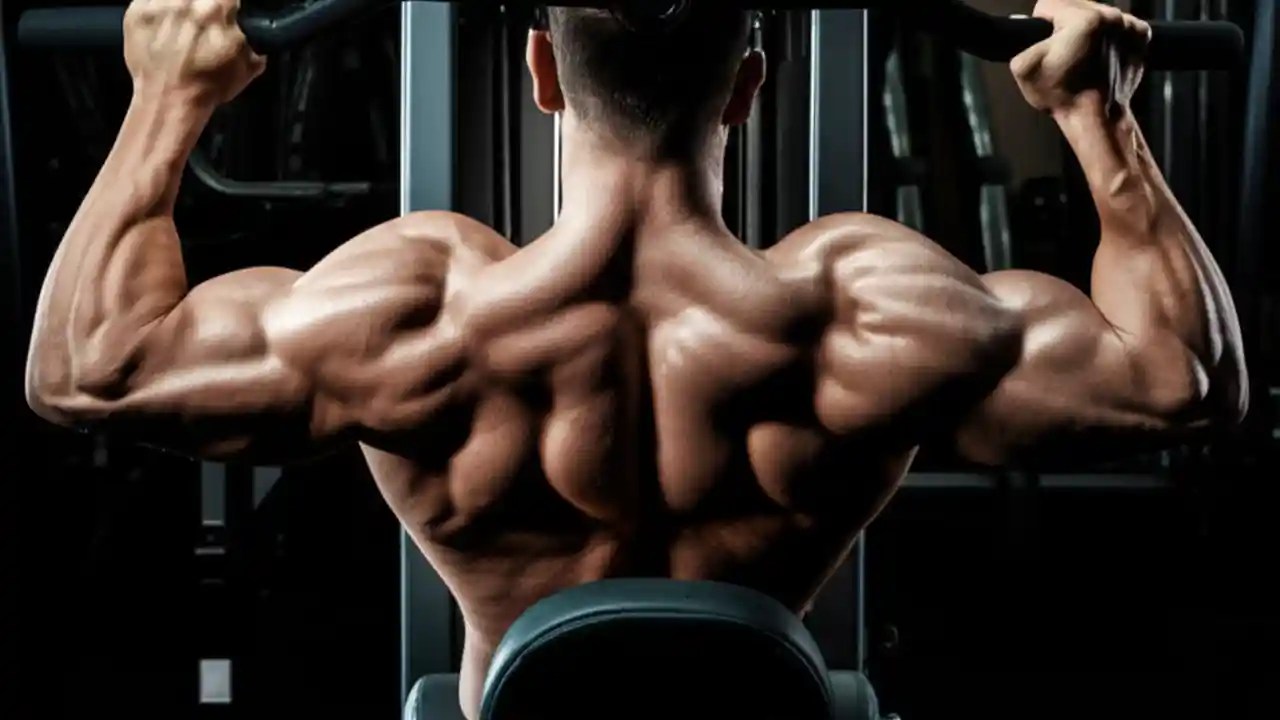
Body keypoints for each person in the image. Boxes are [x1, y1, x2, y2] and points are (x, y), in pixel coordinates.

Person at [25, 0, 1248, 716]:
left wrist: (164, 101)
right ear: (750, 90)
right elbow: (1180, 379)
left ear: (541, 73)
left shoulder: (419, 309)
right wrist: (1097, 112)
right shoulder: (862, 309)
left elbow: (86, 369)